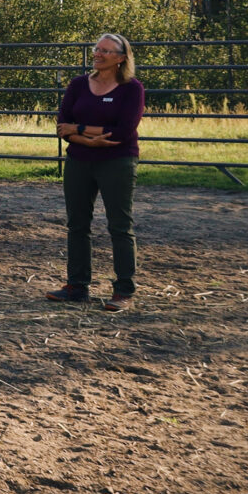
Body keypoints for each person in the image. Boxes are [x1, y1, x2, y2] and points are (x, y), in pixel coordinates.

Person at [49, 32, 144, 312]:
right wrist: (89, 140)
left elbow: (123, 132)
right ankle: (77, 286)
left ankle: (124, 290)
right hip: (79, 160)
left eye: (105, 50)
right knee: (77, 224)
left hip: (117, 161)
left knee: (120, 225)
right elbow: (62, 126)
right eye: (97, 49)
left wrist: (79, 129)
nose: (98, 54)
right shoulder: (78, 84)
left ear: (121, 58)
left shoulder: (132, 88)